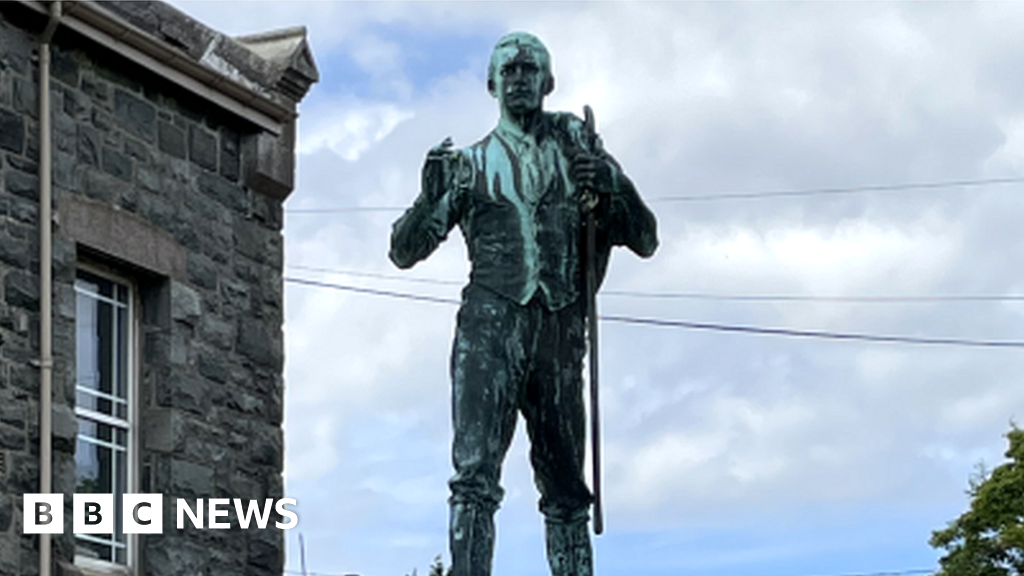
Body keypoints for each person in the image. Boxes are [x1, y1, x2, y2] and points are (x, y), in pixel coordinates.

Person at [389, 32, 657, 576]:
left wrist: (612, 183)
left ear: (547, 82)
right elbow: (404, 251)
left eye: (528, 69)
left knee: (565, 486)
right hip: (489, 329)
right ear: (491, 84)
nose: (518, 79)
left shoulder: (582, 157)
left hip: (559, 332)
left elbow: (645, 238)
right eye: (507, 70)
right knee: (474, 476)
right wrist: (427, 196)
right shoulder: (467, 165)